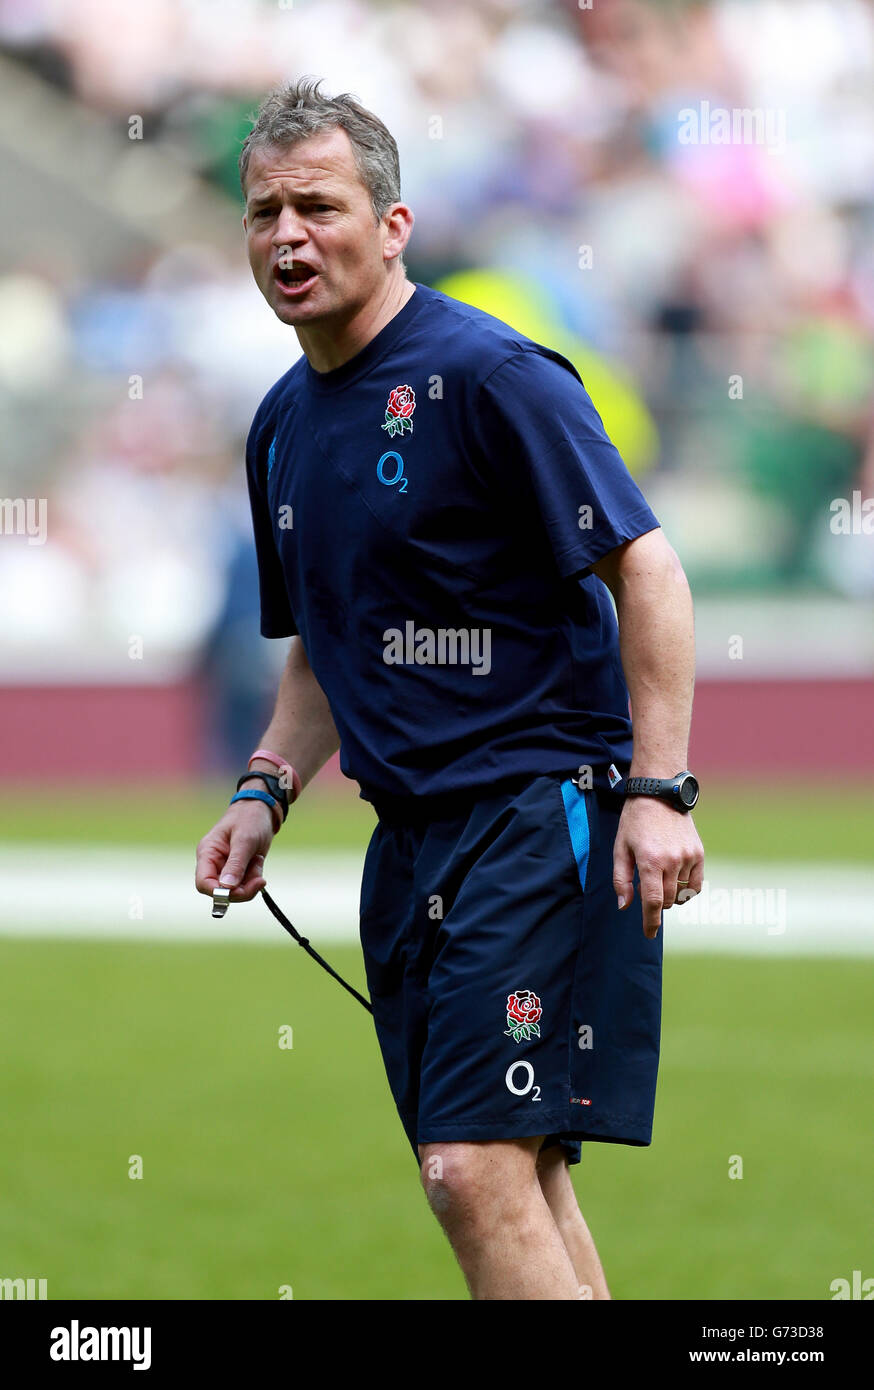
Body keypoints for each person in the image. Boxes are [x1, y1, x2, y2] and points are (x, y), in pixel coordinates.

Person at [195, 76, 704, 1301]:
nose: (286, 237)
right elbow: (324, 645)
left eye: (317, 206)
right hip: (410, 842)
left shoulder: (490, 374)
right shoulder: (277, 425)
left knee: (468, 1171)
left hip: (544, 816)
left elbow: (647, 565)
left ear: (394, 223)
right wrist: (266, 784)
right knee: (516, 1177)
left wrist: (659, 789)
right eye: (264, 211)